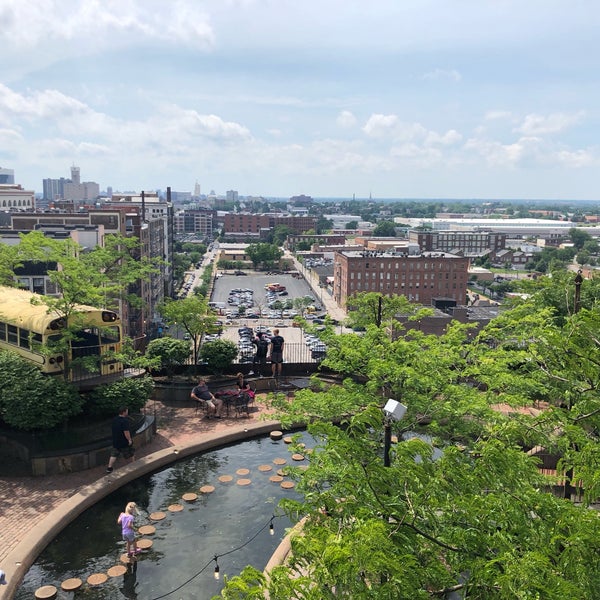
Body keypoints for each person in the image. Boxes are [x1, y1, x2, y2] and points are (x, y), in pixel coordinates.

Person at [106, 407, 134, 474]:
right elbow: (126, 432)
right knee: (130, 452)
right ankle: (134, 465)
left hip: (116, 441)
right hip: (123, 441)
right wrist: (129, 440)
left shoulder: (115, 419)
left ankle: (109, 468)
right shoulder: (125, 421)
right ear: (124, 412)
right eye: (127, 411)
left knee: (113, 454)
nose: (127, 412)